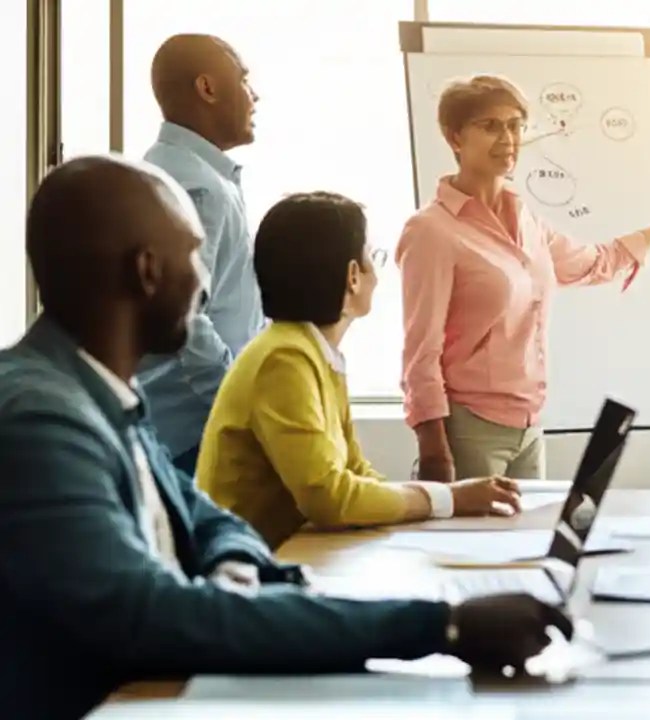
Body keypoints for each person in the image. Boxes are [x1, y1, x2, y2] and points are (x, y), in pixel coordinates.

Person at [0, 156, 571, 719]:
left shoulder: (98, 393)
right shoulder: (41, 418)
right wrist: (442, 625)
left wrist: (232, 571)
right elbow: (147, 614)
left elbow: (209, 520)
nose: (206, 282)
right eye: (197, 253)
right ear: (148, 271)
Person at [399, 75, 650, 483]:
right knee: (470, 547)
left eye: (515, 125)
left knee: (529, 545)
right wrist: (433, 450)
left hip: (530, 427)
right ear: (454, 137)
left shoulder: (526, 218)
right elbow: (419, 353)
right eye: (490, 125)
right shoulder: (432, 231)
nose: (508, 138)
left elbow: (596, 262)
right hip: (469, 430)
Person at [198, 192, 523, 549]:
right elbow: (330, 498)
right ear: (353, 275)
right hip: (247, 573)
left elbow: (356, 472)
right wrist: (447, 499)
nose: (377, 273)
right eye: (373, 257)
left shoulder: (311, 352)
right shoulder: (284, 359)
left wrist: (434, 505)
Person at [138, 34, 264, 474]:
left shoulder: (186, 172)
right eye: (245, 80)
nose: (255, 95)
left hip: (191, 422)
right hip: (198, 427)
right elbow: (185, 318)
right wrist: (238, 398)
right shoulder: (196, 187)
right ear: (207, 88)